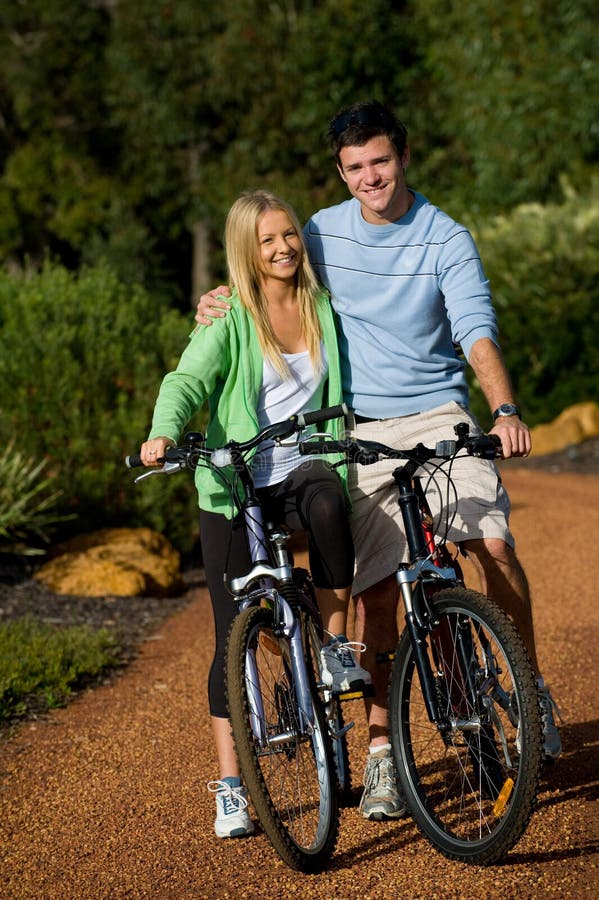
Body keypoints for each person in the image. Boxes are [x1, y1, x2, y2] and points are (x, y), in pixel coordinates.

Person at [195, 101, 562, 821]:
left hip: (437, 412)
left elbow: (475, 328)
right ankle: (381, 755)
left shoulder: (445, 237)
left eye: (381, 162)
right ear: (340, 170)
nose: (371, 177)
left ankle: (527, 684)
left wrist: (505, 407)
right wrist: (222, 298)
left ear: (403, 157)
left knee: (488, 544)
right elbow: (269, 271)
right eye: (356, 166)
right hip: (355, 427)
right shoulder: (322, 234)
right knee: (374, 595)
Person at [140, 190, 371, 839]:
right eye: (267, 240)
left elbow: (346, 382)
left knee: (329, 500)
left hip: (303, 469)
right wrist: (163, 433)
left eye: (288, 235)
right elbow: (185, 380)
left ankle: (332, 648)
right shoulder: (228, 315)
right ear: (247, 248)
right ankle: (231, 785)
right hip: (236, 482)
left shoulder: (319, 306)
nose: (282, 248)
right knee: (229, 634)